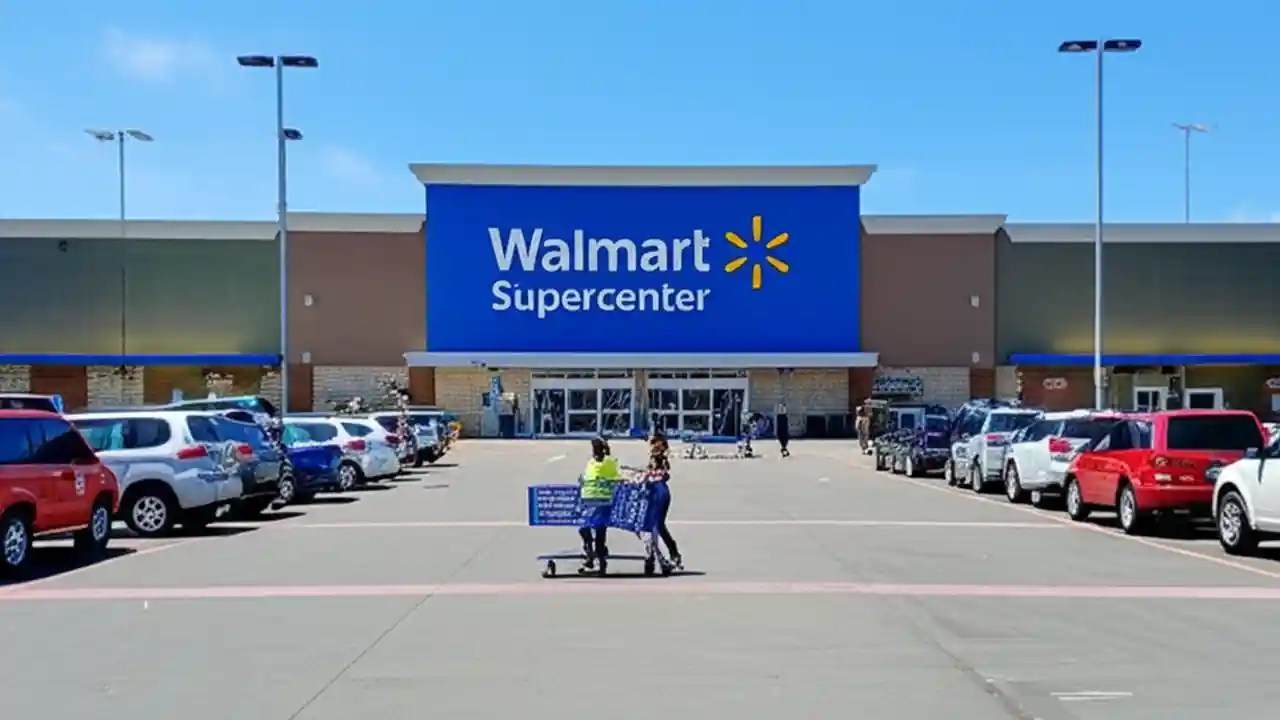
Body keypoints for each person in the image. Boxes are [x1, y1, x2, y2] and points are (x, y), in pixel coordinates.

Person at [578, 435, 621, 574]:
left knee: (584, 525)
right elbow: (617, 479)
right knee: (600, 528)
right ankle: (600, 557)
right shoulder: (610, 462)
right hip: (605, 501)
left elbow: (584, 478)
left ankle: (590, 552)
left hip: (588, 500)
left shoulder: (591, 463)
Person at [644, 431, 682, 569]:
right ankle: (659, 553)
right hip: (656, 492)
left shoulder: (659, 460)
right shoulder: (655, 460)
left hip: (660, 494)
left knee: (658, 524)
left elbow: (656, 474)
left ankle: (672, 552)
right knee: (655, 525)